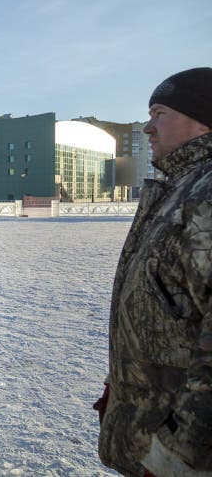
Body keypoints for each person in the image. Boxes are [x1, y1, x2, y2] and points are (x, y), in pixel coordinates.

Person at [95, 67, 212, 476]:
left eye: (158, 113)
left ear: (203, 118)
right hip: (151, 428)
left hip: (180, 453)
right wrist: (125, 383)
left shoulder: (206, 193)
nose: (147, 127)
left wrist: (180, 454)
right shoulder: (182, 187)